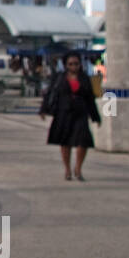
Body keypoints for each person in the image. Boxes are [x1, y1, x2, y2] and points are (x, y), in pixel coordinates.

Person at [39, 50, 102, 181]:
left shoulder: (84, 78)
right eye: (71, 64)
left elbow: (90, 98)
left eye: (76, 64)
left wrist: (96, 117)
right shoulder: (59, 78)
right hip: (64, 112)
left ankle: (78, 168)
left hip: (80, 112)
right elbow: (50, 93)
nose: (74, 66)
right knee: (65, 142)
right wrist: (43, 109)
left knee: (83, 141)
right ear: (66, 65)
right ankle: (67, 169)